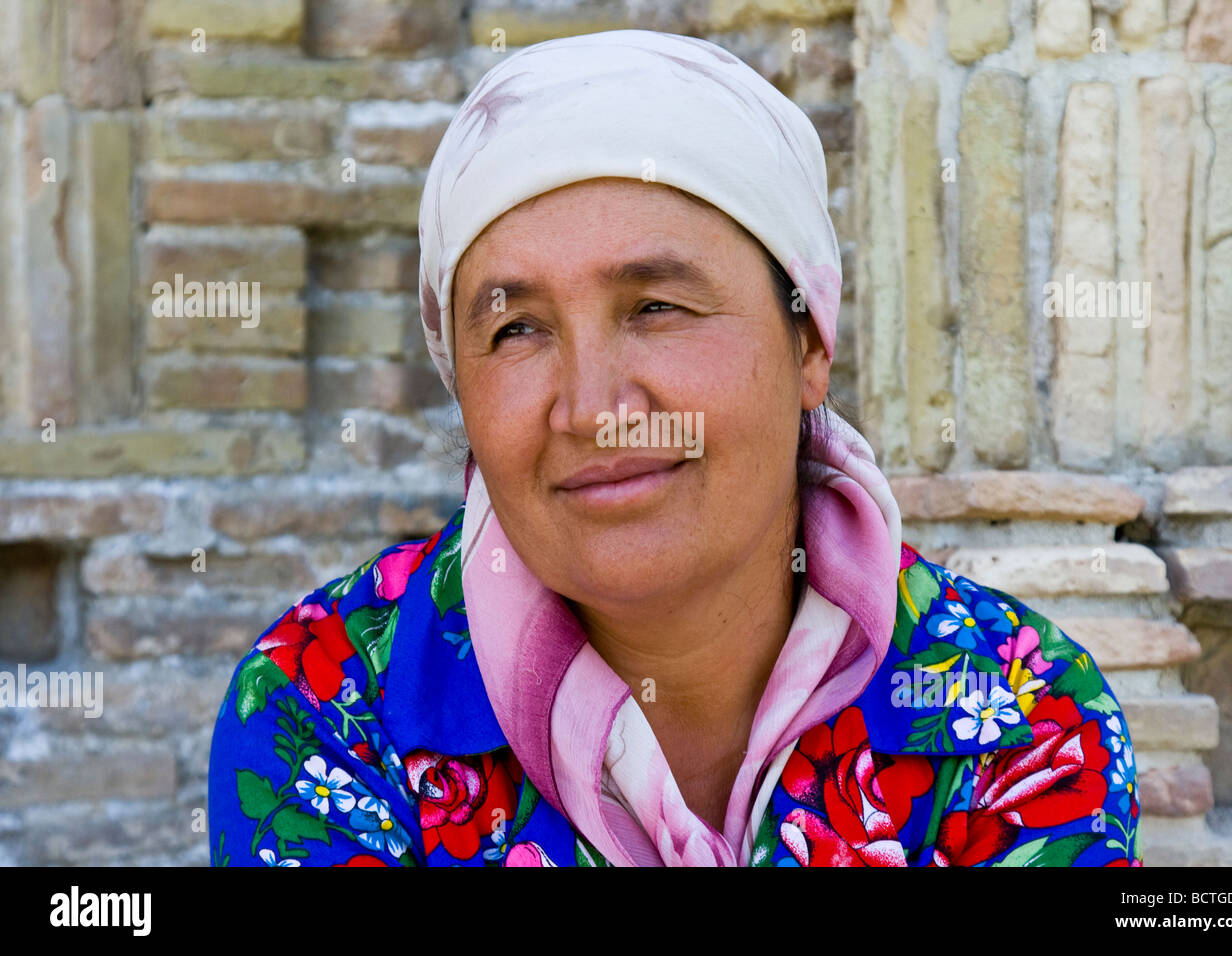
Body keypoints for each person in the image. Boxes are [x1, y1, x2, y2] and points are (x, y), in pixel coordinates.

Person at [207, 29, 1142, 867]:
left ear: (810, 343)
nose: (592, 408)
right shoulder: (327, 707)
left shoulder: (1016, 710)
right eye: (517, 329)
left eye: (657, 307)